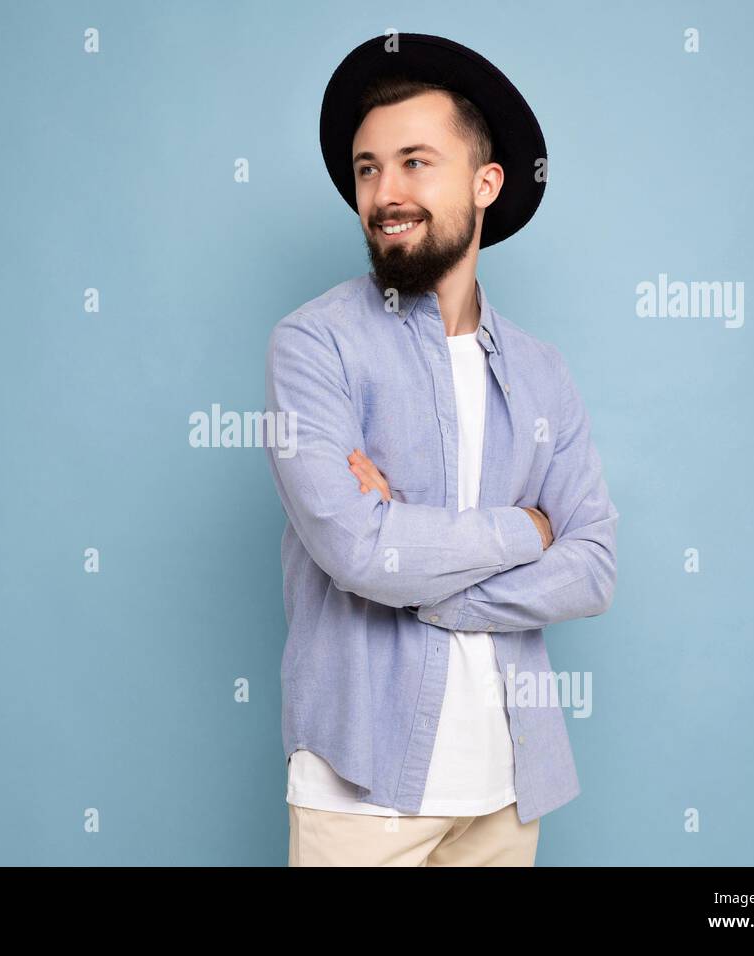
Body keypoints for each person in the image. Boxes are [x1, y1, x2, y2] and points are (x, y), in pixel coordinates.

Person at [263, 33, 619, 866]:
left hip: (507, 788)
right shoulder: (314, 346)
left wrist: (425, 575)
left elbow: (596, 564)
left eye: (416, 161)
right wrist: (528, 530)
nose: (386, 192)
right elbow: (358, 549)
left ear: (485, 182)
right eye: (367, 168)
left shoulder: (542, 373)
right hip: (359, 789)